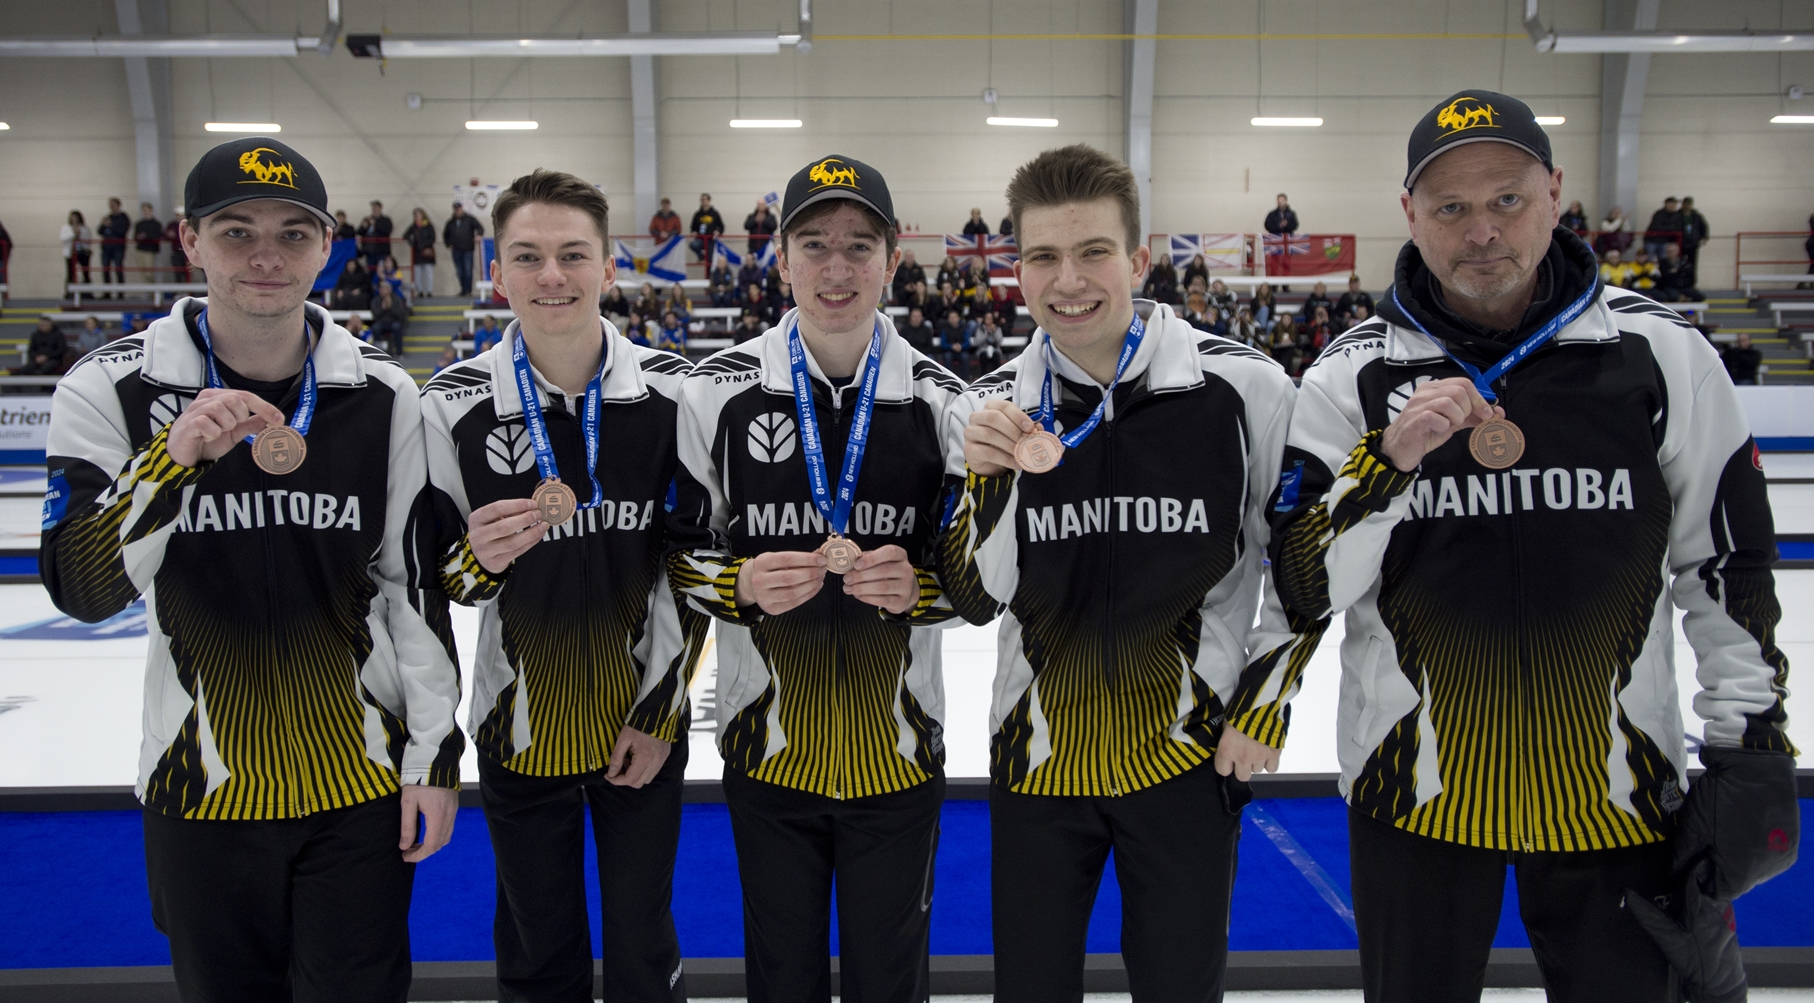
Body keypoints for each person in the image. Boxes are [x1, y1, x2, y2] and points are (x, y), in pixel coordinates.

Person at [1266, 90, 1797, 1003]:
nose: (1482, 231)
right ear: (1409, 215)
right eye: (1451, 207)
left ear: (1555, 194)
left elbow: (1724, 563)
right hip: (1414, 793)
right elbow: (1308, 581)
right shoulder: (1352, 374)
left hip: (1616, 791)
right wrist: (1384, 467)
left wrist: (1751, 740)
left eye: (1506, 198)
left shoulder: (1661, 355)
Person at [39, 135, 461, 1001]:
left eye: (292, 233)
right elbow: (83, 589)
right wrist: (170, 460)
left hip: (362, 784)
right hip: (201, 786)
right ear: (189, 242)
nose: (266, 256)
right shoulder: (110, 389)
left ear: (328, 244)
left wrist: (434, 758)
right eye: (236, 232)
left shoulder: (385, 395)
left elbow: (410, 589)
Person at [938, 143, 1299, 1003]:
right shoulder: (984, 408)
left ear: (1138, 259)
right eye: (1043, 257)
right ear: (1014, 270)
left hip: (1188, 754)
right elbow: (974, 597)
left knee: (1179, 986)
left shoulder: (1241, 390)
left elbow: (1299, 563)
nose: (1070, 280)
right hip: (1038, 759)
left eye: (1094, 251)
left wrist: (1265, 700)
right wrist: (986, 488)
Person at [667, 153, 964, 1003]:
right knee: (781, 978)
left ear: (893, 259)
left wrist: (922, 592)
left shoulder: (945, 404)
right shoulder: (713, 395)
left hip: (898, 755)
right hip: (769, 753)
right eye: (814, 244)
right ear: (781, 256)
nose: (837, 268)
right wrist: (742, 587)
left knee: (890, 979)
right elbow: (676, 554)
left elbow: (980, 581)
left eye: (859, 245)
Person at [419, 169, 707, 1003]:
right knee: (538, 945)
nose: (552, 276)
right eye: (529, 256)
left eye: (572, 254)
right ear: (497, 271)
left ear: (608, 267)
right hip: (521, 724)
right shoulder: (454, 404)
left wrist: (657, 715)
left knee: (643, 944)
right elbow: (439, 584)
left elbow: (691, 568)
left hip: (641, 725)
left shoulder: (671, 393)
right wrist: (481, 556)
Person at [444, 200, 485, 298]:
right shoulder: (450, 222)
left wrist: (479, 235)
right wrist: (448, 243)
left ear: (461, 208)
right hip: (456, 249)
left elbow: (480, 227)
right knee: (459, 271)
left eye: (459, 208)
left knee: (467, 270)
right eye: (455, 209)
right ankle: (463, 290)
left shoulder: (470, 219)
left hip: (467, 249)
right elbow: (445, 234)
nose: (457, 211)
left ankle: (468, 291)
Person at [97, 197, 132, 296]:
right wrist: (103, 224)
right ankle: (107, 293)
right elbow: (99, 231)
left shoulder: (124, 218)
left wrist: (111, 225)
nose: (112, 207)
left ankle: (120, 293)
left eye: (114, 205)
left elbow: (122, 231)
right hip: (106, 248)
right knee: (105, 270)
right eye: (110, 206)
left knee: (118, 269)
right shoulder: (107, 217)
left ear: (119, 206)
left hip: (118, 248)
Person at [403, 208, 437, 299]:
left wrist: (423, 245)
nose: (416, 217)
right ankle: (420, 291)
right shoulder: (413, 227)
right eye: (415, 215)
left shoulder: (429, 226)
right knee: (417, 273)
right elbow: (405, 235)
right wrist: (411, 241)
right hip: (417, 254)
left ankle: (429, 291)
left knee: (428, 273)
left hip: (427, 253)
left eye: (418, 215)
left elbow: (432, 238)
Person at [1643, 196, 1685, 263]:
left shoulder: (1677, 215)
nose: (1675, 205)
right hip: (1652, 240)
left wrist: (1667, 228)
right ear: (1667, 204)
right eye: (1673, 203)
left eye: (1675, 204)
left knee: (1664, 261)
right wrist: (1671, 228)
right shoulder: (1659, 214)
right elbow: (1657, 227)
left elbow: (1678, 227)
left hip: (1665, 242)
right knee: (1649, 260)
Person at [370, 286, 408, 357]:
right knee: (375, 328)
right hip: (381, 321)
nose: (381, 291)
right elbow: (375, 314)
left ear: (389, 290)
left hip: (393, 321)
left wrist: (391, 307)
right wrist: (383, 308)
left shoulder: (396, 300)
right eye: (381, 289)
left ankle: (399, 352)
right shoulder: (376, 300)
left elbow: (400, 314)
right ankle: (379, 351)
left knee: (397, 327)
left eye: (384, 289)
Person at [1680, 196, 1710, 284]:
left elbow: (1704, 226)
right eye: (1685, 204)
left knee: (1693, 265)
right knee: (1681, 265)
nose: (1687, 206)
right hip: (1680, 243)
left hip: (1693, 243)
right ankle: (1680, 284)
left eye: (1689, 204)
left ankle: (1691, 284)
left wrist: (1705, 237)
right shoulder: (1678, 215)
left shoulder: (1696, 216)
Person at [935, 305, 972, 375]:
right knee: (947, 356)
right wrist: (952, 346)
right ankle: (950, 377)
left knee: (965, 357)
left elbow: (967, 343)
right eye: (951, 317)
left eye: (955, 317)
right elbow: (943, 344)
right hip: (949, 351)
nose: (953, 319)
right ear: (948, 319)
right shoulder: (945, 330)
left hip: (961, 350)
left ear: (958, 318)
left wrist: (961, 346)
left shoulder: (964, 328)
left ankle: (964, 378)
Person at [689, 193, 724, 265]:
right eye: (701, 199)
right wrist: (693, 232)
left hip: (711, 240)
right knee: (693, 244)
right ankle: (701, 256)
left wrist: (718, 232)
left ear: (709, 200)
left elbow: (721, 226)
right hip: (700, 239)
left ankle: (708, 275)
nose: (703, 201)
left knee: (710, 261)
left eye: (704, 199)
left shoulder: (715, 213)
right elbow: (693, 227)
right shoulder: (697, 214)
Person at [60, 210, 92, 287]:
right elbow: (63, 238)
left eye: (76, 217)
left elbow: (88, 240)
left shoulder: (84, 228)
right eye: (72, 217)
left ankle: (88, 292)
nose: (74, 219)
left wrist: (80, 234)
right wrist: (73, 234)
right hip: (70, 253)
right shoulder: (66, 228)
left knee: (85, 273)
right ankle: (68, 293)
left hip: (82, 252)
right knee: (70, 273)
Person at [358, 201, 393, 269]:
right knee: (371, 270)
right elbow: (359, 232)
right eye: (373, 208)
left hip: (382, 251)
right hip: (370, 251)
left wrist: (375, 224)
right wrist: (363, 227)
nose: (374, 209)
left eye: (376, 208)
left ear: (380, 208)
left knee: (382, 269)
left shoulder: (386, 220)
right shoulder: (367, 220)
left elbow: (388, 231)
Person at [133, 203, 164, 282]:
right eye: (144, 210)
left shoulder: (156, 224)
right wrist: (139, 237)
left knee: (149, 273)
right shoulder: (139, 224)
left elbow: (157, 235)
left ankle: (152, 291)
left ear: (151, 210)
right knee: (142, 271)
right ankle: (148, 291)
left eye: (147, 210)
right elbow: (135, 237)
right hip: (140, 249)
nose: (145, 212)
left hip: (150, 250)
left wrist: (145, 237)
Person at [972, 308, 1005, 374]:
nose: (989, 320)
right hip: (983, 349)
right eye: (987, 318)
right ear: (984, 319)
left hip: (995, 349)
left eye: (990, 318)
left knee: (996, 356)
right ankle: (983, 376)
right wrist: (986, 332)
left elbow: (999, 341)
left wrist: (994, 331)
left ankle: (996, 377)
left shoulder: (997, 328)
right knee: (983, 356)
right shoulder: (980, 329)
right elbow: (978, 342)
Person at [163, 209, 190, 283]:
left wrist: (175, 236)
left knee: (187, 273)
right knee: (177, 272)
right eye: (178, 215)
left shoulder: (189, 225)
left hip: (187, 253)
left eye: (181, 215)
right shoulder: (171, 225)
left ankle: (188, 291)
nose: (180, 217)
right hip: (176, 252)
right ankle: (180, 291)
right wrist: (168, 235)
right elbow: (164, 236)